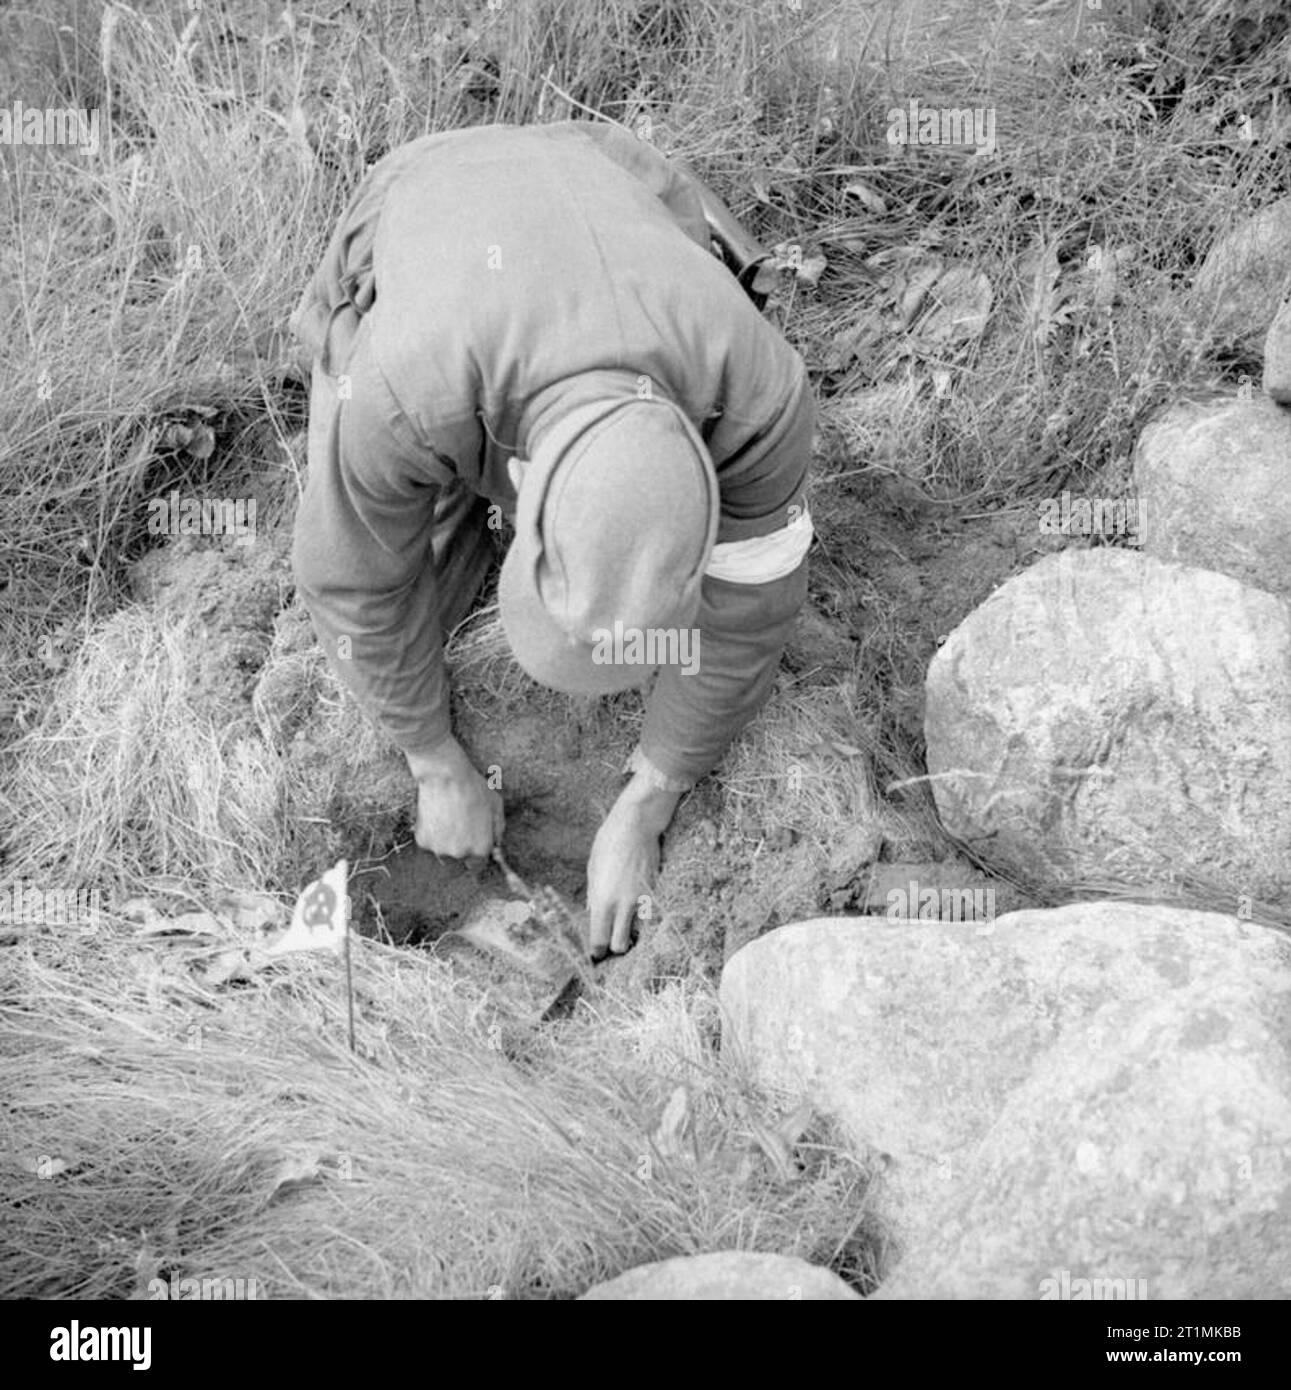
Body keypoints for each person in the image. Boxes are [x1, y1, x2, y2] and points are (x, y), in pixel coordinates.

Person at [290, 120, 814, 960]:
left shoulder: (759, 398)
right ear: (520, 483)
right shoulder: (396, 391)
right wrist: (432, 759)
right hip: (433, 192)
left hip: (605, 172)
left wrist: (649, 800)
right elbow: (353, 586)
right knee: (414, 564)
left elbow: (750, 609)